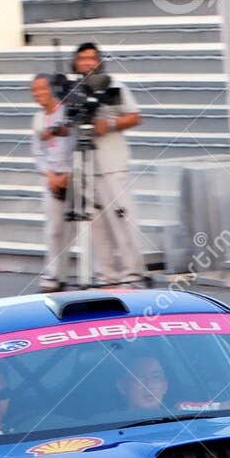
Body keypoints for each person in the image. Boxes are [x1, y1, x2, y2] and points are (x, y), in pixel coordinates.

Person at [68, 42, 146, 287]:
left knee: (121, 218)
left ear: (99, 61)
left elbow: (135, 116)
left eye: (92, 58)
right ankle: (106, 275)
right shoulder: (71, 90)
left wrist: (109, 124)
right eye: (82, 58)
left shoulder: (114, 86)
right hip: (86, 166)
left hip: (112, 163)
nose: (87, 63)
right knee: (96, 225)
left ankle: (133, 273)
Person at [29, 73, 73, 293]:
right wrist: (51, 176)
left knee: (81, 229)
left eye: (42, 89)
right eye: (34, 91)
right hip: (52, 179)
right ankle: (54, 277)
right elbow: (38, 152)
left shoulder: (66, 112)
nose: (39, 94)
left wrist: (68, 174)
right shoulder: (37, 119)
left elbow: (75, 144)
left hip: (74, 177)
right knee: (54, 230)